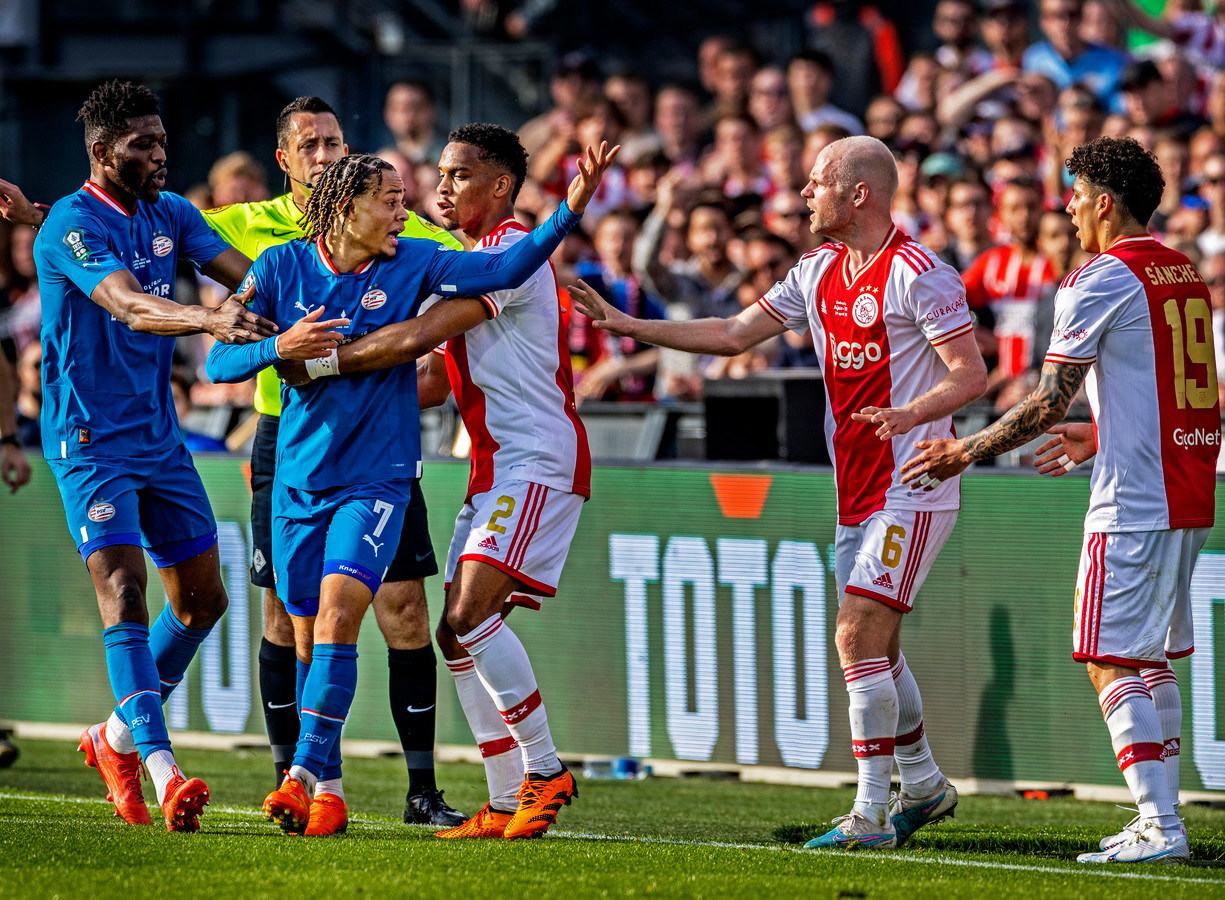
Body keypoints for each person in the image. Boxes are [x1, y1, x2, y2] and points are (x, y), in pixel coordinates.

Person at [569, 134, 986, 850]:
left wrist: (912, 414)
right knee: (876, 648)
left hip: (913, 483)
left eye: (816, 182)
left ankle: (869, 815)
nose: (802, 196)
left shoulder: (919, 274)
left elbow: (970, 375)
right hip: (853, 491)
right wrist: (628, 325)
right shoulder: (816, 269)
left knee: (855, 633)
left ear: (859, 193)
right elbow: (733, 333)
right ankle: (922, 785)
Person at [206, 141, 615, 837]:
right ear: (345, 207)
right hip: (321, 473)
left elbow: (411, 340)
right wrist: (279, 349)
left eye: (451, 177)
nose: (421, 201)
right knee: (363, 632)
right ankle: (486, 792)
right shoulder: (280, 265)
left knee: (431, 619)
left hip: (455, 468)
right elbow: (220, 357)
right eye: (393, 199)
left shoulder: (439, 259)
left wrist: (569, 210)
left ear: (501, 183)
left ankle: (531, 770)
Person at [902, 136, 1214, 865]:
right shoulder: (1181, 269)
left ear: (1104, 202)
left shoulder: (1097, 278)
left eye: (1073, 194)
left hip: (1133, 501)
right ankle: (1159, 819)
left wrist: (961, 452)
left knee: (1107, 660)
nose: (1066, 207)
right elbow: (1163, 384)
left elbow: (1043, 403)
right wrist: (1100, 432)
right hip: (1185, 487)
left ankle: (1158, 824)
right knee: (1148, 658)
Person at [34, 80, 273, 831]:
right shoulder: (70, 226)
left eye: (164, 140)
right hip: (89, 439)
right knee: (127, 594)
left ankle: (111, 739)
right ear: (104, 152)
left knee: (203, 601)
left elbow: (248, 274)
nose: (162, 154)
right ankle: (163, 769)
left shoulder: (172, 213)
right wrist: (210, 320)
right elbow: (131, 305)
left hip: (157, 435)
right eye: (144, 144)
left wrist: (305, 300)